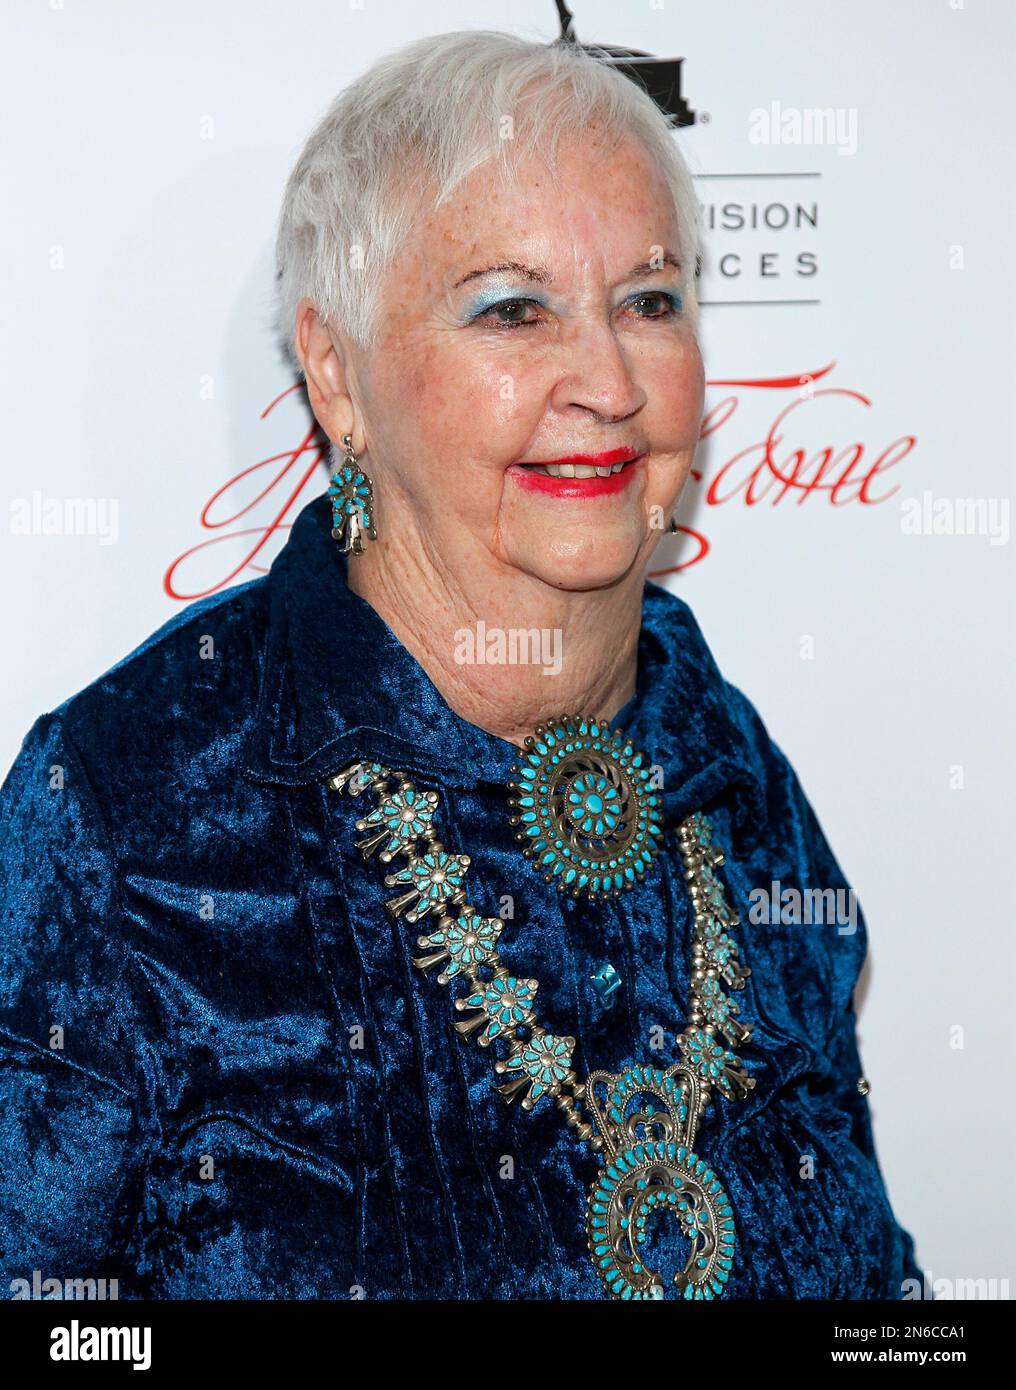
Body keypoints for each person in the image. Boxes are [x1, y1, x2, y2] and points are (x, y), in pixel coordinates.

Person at [0, 29, 922, 1300]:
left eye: (647, 301)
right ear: (336, 375)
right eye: (511, 307)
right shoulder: (129, 805)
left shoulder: (732, 771)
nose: (605, 381)